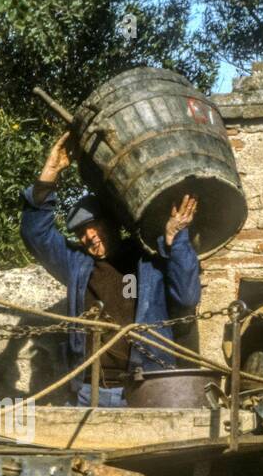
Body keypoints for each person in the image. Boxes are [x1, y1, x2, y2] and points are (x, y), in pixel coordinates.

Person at [20, 132, 202, 407]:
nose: (89, 236)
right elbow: (36, 235)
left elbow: (187, 298)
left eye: (95, 225)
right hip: (87, 394)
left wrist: (176, 239)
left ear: (113, 223)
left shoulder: (150, 260)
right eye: (81, 232)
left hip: (147, 391)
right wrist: (50, 173)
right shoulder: (78, 265)